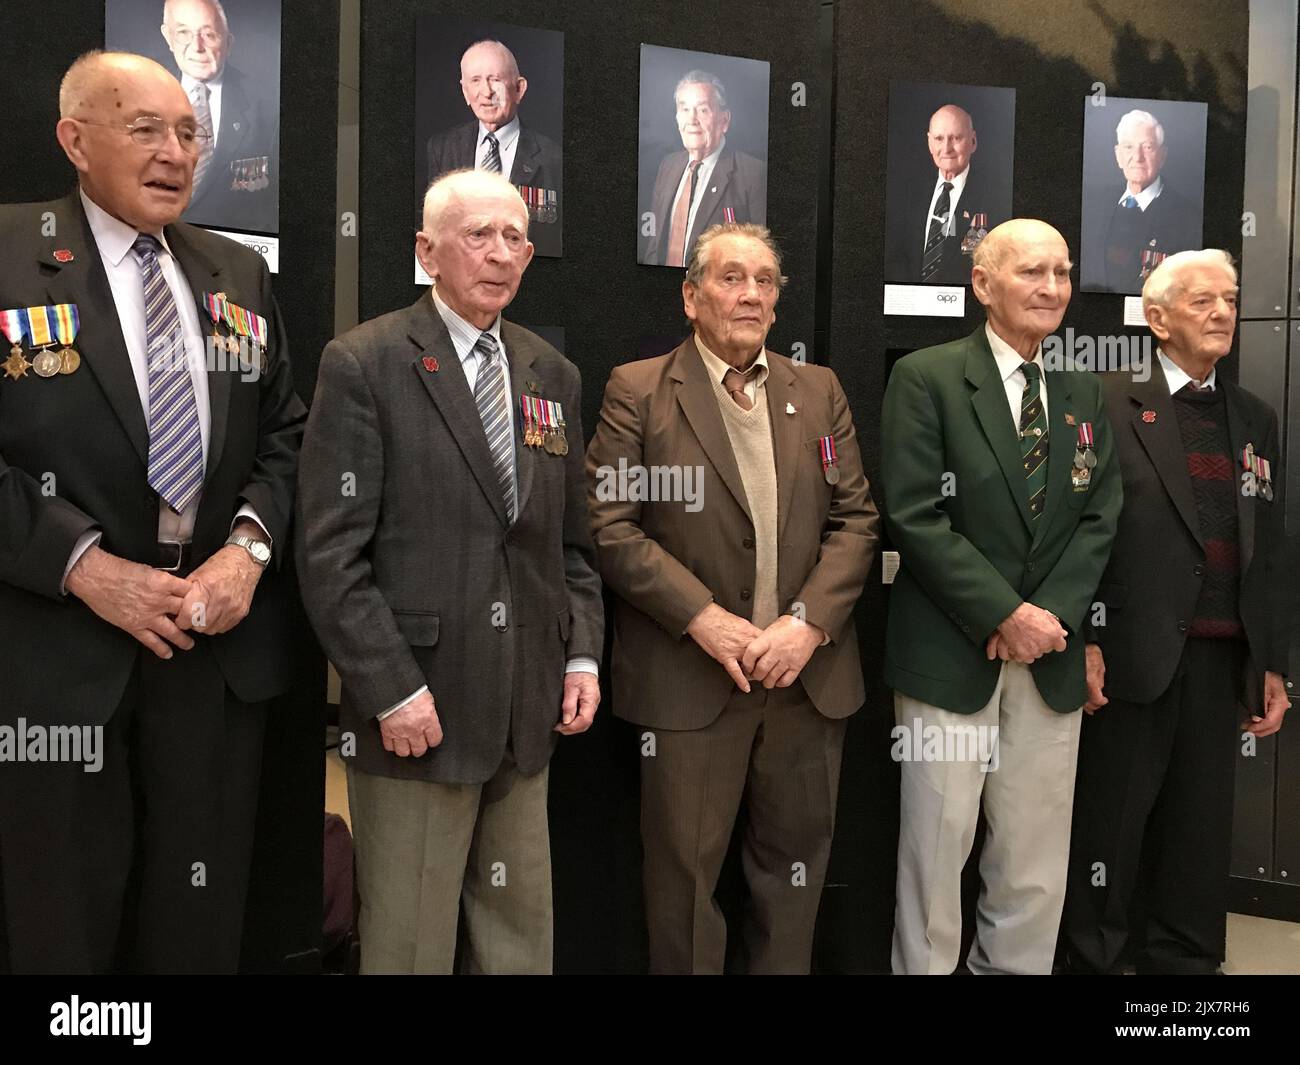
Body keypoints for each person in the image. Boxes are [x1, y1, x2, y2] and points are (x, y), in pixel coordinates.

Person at [0, 50, 305, 973]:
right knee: (66, 926)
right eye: (146, 130)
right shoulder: (9, 251)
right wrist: (83, 566)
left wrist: (247, 553)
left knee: (197, 922)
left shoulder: (237, 274)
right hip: (57, 655)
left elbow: (287, 436)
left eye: (188, 133)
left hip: (210, 652)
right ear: (75, 139)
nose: (177, 153)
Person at [296, 168, 603, 975]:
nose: (500, 254)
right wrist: (388, 687)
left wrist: (579, 655)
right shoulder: (364, 363)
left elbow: (570, 545)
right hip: (417, 712)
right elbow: (330, 555)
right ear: (428, 251)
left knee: (517, 944)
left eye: (514, 238)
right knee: (408, 948)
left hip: (524, 711)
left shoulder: (552, 374)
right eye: (478, 235)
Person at [587, 223, 878, 973]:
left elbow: (857, 521)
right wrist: (705, 620)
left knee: (793, 879)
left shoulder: (819, 390)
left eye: (765, 282)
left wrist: (806, 625)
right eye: (730, 278)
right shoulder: (638, 389)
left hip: (804, 681)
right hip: (690, 682)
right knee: (681, 889)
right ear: (691, 296)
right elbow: (609, 525)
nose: (750, 294)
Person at [881, 218, 1122, 975]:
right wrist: (1003, 614)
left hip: (1048, 659)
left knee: (1034, 860)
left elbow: (1099, 512)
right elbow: (916, 515)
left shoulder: (1083, 388)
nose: (1052, 288)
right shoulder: (927, 376)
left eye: (1061, 271)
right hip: (949, 657)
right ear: (982, 285)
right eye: (1031, 272)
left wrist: (1045, 621)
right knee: (936, 853)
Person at [1062, 250, 1292, 974]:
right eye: (1202, 302)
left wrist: (1272, 662)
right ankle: (1096, 963)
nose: (1223, 312)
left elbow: (1270, 551)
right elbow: (1075, 531)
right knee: (1112, 829)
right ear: (1157, 319)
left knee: (1199, 835)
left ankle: (1187, 974)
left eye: (1228, 299)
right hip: (1129, 654)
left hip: (1221, 660)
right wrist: (1084, 640)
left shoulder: (1255, 416)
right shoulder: (1101, 400)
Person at [425, 40, 561, 246]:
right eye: (476, 80)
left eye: (495, 79)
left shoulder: (553, 157)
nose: (486, 92)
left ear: (519, 89)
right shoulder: (441, 148)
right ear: (465, 92)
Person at [159, 0, 278, 233]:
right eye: (183, 32)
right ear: (168, 37)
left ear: (228, 42)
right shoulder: (142, 96)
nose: (197, 46)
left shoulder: (268, 105)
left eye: (209, 34)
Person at [641, 72, 767, 267]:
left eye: (702, 110)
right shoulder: (668, 165)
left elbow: (761, 257)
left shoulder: (753, 174)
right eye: (684, 109)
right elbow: (654, 246)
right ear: (677, 117)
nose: (692, 120)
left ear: (724, 121)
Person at [885, 104, 1005, 285]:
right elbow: (897, 257)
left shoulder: (995, 196)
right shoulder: (908, 191)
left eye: (956, 138)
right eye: (939, 138)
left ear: (973, 141)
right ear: (929, 142)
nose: (947, 148)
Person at [1084, 109, 1199, 293]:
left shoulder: (1189, 217)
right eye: (1128, 147)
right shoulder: (1093, 206)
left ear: (1162, 156)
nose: (1137, 157)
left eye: (1147, 147)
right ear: (1118, 155)